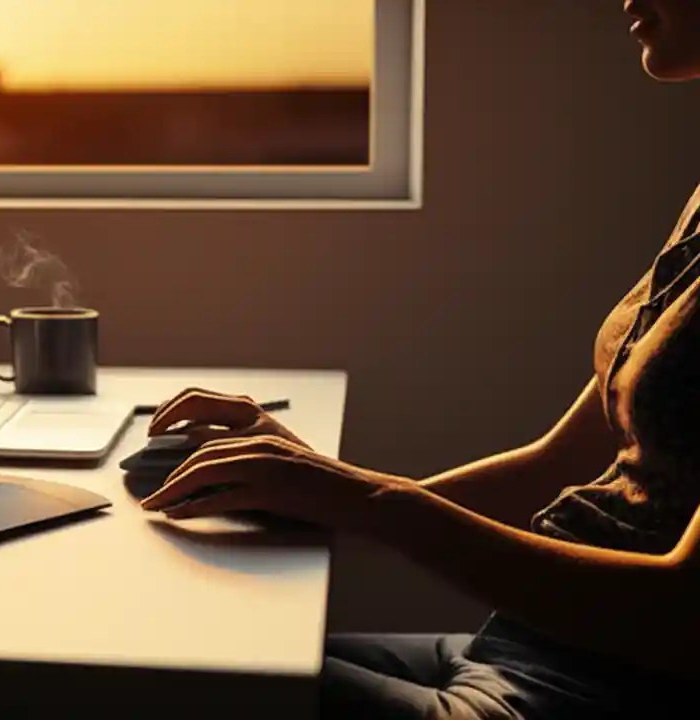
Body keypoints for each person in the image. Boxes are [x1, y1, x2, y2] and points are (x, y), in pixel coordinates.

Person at [137, 2, 700, 717]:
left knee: (164, 691)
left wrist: (369, 503)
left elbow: (684, 616)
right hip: (521, 647)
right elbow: (552, 465)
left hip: (593, 691)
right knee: (200, 651)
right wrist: (321, 491)